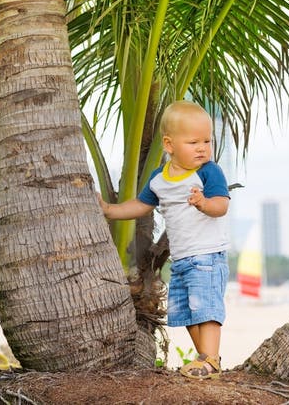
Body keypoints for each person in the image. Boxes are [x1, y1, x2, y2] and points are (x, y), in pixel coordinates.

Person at [98, 100, 230, 379]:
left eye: (207, 141)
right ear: (169, 145)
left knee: (205, 309)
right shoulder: (159, 179)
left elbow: (221, 205)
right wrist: (110, 210)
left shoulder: (208, 172)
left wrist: (204, 203)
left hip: (207, 255)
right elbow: (141, 205)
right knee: (187, 312)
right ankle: (206, 361)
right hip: (181, 260)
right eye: (193, 142)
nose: (203, 148)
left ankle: (211, 360)